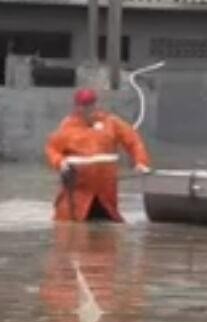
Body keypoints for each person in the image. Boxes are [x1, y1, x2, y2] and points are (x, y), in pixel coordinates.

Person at [45, 88, 151, 223]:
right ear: (76, 107)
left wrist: (141, 162)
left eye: (90, 105)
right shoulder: (66, 127)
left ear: (95, 105)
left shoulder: (111, 123)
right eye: (83, 105)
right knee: (70, 226)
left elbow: (133, 141)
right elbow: (52, 149)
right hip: (78, 192)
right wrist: (60, 163)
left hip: (105, 192)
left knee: (108, 226)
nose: (87, 109)